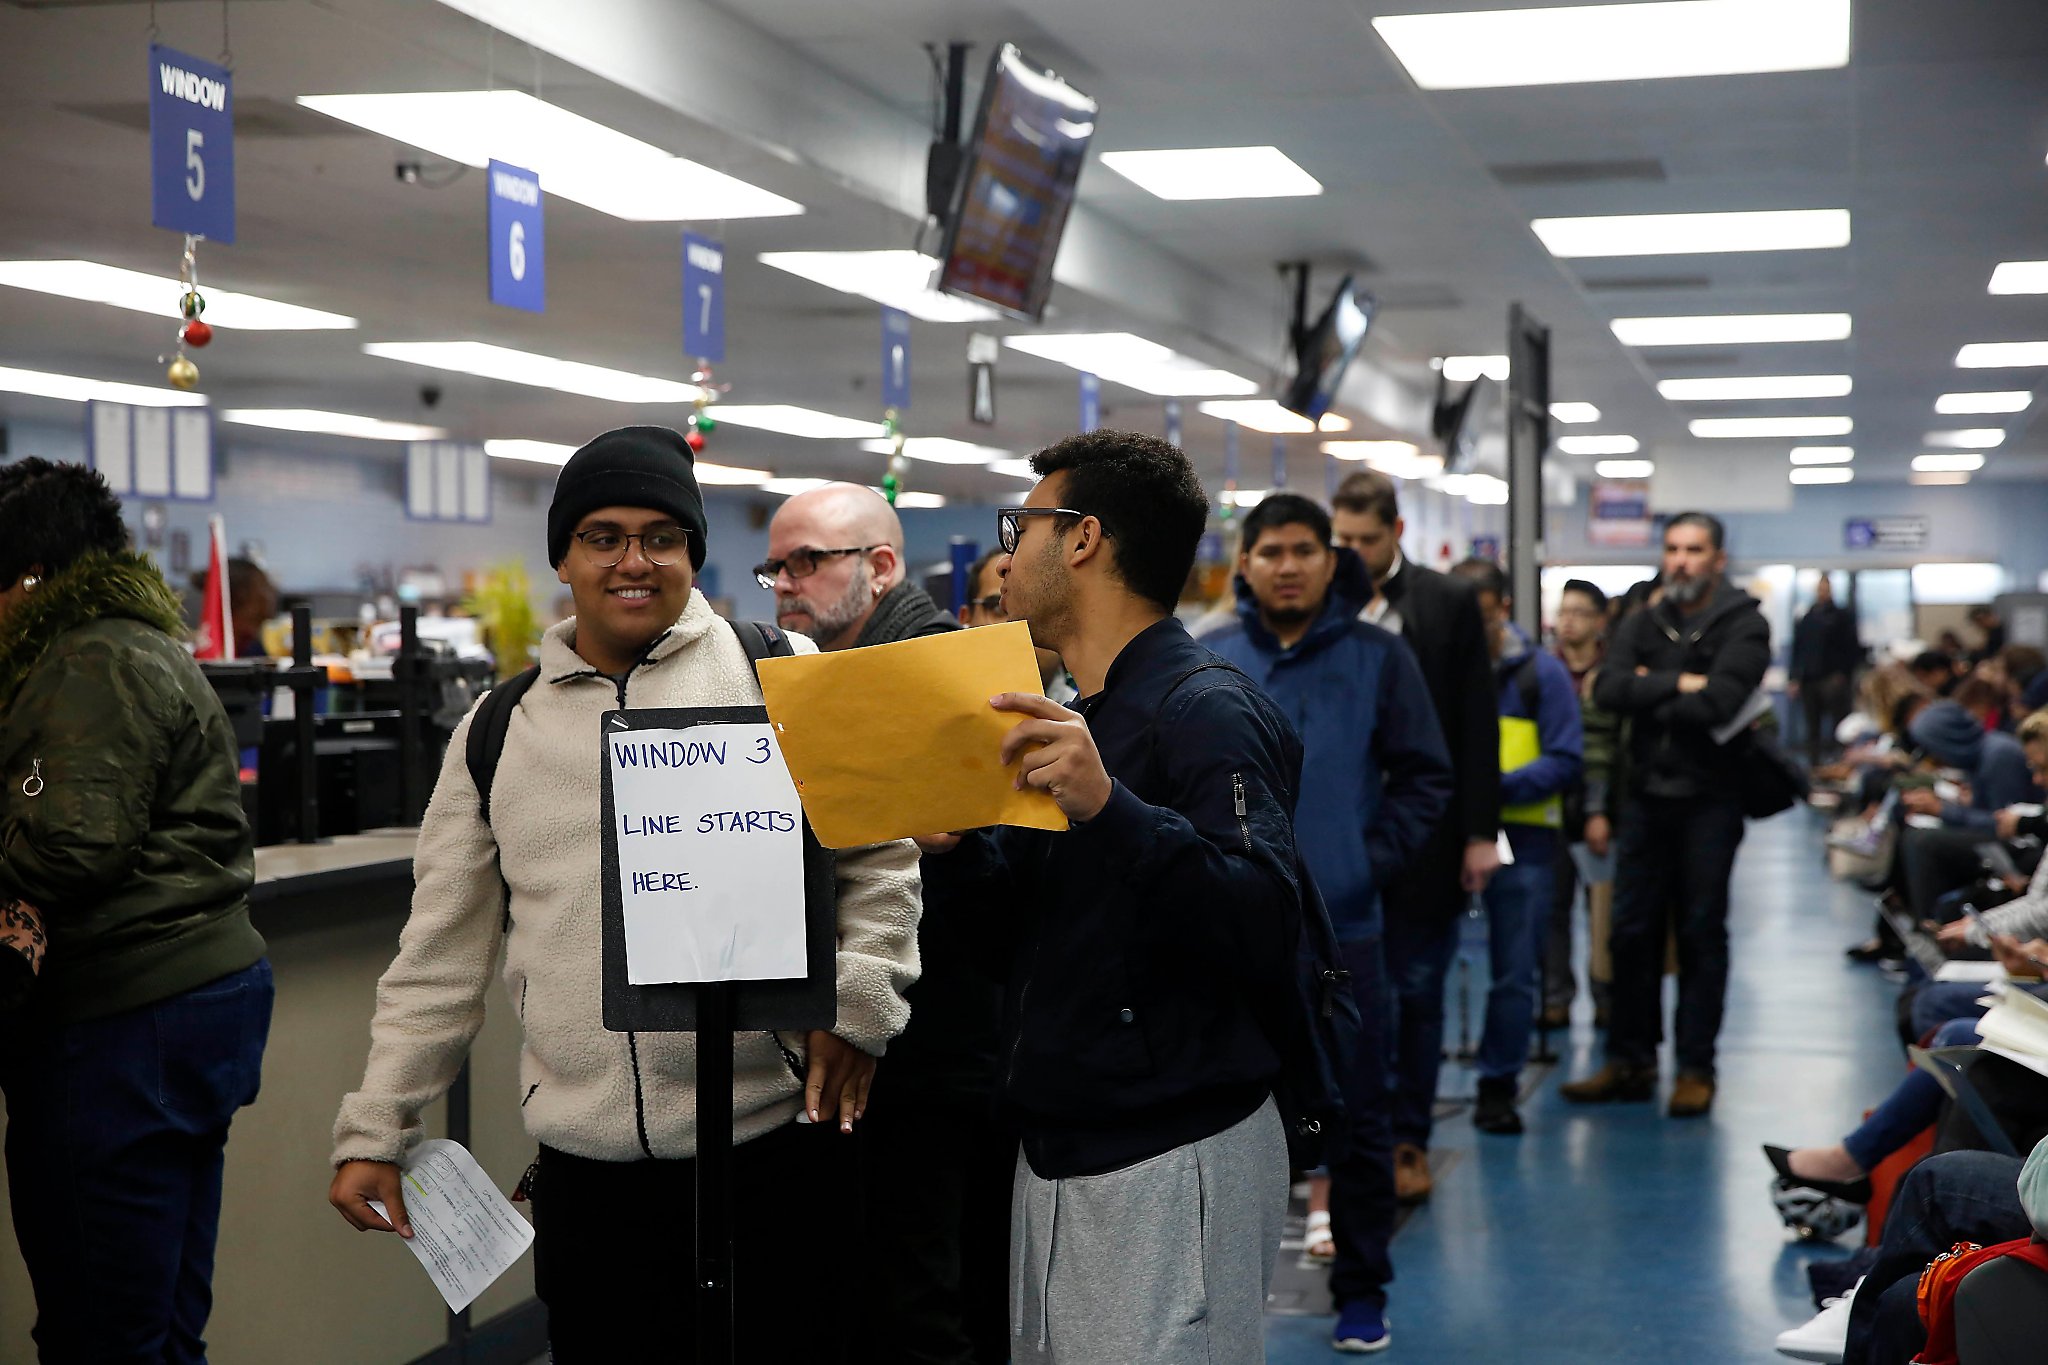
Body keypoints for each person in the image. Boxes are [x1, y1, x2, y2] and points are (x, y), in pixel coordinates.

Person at [328, 428, 922, 1362]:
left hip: (771, 1149)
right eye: (602, 537)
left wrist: (858, 1007)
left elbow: (880, 860)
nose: (633, 561)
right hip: (591, 1181)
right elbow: (439, 953)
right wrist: (376, 1123)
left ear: (694, 552)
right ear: (563, 556)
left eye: (661, 537)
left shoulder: (785, 672)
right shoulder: (497, 730)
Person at [918, 430, 1306, 1364]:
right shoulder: (1079, 717)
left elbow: (1266, 919)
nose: (1008, 556)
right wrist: (958, 854)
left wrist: (1112, 809)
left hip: (1171, 1152)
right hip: (1062, 1150)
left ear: (1083, 537)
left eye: (1023, 527)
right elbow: (1032, 940)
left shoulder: (1206, 709)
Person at [0, 457, 273, 1361]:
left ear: (29, 579)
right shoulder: (138, 643)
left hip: (120, 1022)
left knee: (99, 1331)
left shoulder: (86, 660)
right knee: (159, 1327)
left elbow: (73, 846)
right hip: (186, 1009)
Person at [763, 483, 1009, 1364]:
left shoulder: (936, 674)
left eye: (807, 561)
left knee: (919, 1298)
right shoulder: (818, 677)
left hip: (934, 1049)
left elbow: (993, 869)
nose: (785, 583)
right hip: (873, 1036)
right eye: (774, 566)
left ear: (880, 567)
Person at [1206, 492, 1453, 1353]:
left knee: (1357, 1114)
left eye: (1304, 550)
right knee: (1228, 1118)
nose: (1288, 565)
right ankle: (1224, 1300)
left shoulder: (1380, 656)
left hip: (1347, 931)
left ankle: (1361, 1289)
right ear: (1244, 563)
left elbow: (1426, 777)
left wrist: (1363, 860)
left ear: (1330, 559)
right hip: (1237, 931)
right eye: (1270, 550)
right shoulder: (1213, 656)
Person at [1562, 512, 1770, 1118]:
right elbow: (1608, 690)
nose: (1681, 560)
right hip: (1644, 800)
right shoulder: (1642, 620)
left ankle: (1696, 1068)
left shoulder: (1744, 623)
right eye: (1673, 548)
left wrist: (1652, 684)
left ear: (1718, 559)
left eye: (1694, 550)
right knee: (1630, 933)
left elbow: (1721, 703)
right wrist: (1684, 684)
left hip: (1711, 802)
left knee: (1701, 933)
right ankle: (1630, 1060)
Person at [1330, 470, 1500, 1202]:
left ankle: (1408, 1141)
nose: (1352, 552)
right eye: (1342, 538)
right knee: (1346, 998)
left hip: (1427, 832)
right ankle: (1342, 1150)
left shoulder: (1445, 602)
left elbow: (1475, 721)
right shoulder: (1319, 602)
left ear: (1396, 532)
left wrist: (1480, 833)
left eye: (1366, 539)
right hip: (1343, 832)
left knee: (1418, 992)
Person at [1447, 559, 1583, 1135]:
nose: (1467, 629)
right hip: (1444, 841)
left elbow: (1566, 758)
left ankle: (1497, 1087)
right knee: (1420, 970)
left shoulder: (1540, 675)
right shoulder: (1435, 668)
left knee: (1514, 973)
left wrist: (1490, 790)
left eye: (1478, 616)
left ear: (1502, 609)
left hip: (1523, 845)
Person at [1544, 578, 1609, 1028]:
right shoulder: (1544, 672)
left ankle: (1607, 996)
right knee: (1552, 909)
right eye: (1563, 612)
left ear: (1599, 621)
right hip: (1550, 807)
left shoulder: (1613, 676)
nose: (1569, 621)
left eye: (1580, 613)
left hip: (1602, 811)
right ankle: (1556, 998)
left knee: (1603, 908)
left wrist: (1600, 809)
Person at [960, 546, 1075, 703]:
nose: (1016, 623)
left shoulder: (1094, 717)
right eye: (997, 608)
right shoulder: (932, 712)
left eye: (1038, 607)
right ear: (965, 618)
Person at [1791, 573, 1862, 766]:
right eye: (1819, 588)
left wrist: (1843, 674)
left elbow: (1851, 648)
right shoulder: (1808, 616)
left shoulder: (1841, 616)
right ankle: (1814, 765)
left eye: (1825, 588)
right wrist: (1794, 677)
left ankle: (1839, 762)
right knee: (1812, 725)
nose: (1822, 592)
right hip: (1809, 678)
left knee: (1838, 725)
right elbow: (1798, 648)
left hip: (1832, 677)